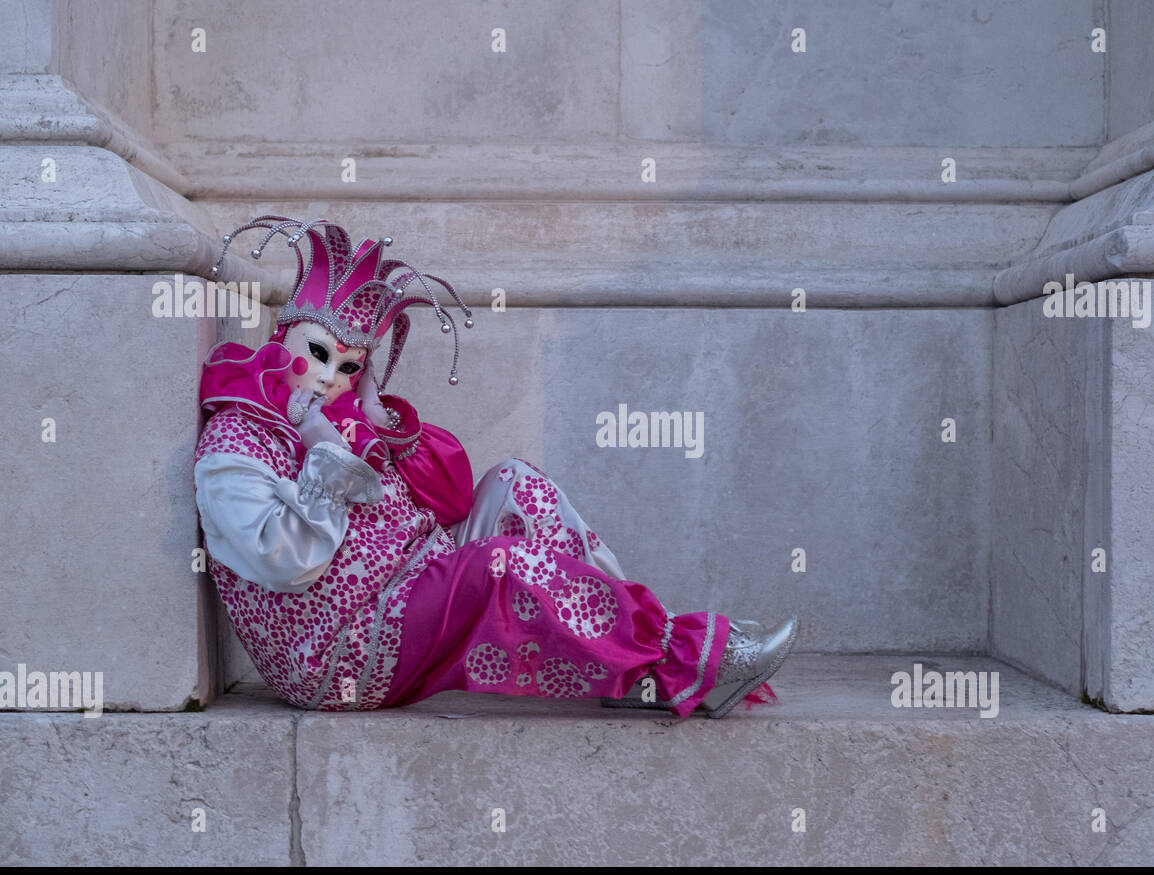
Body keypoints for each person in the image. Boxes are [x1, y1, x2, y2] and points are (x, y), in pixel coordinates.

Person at [193, 215, 797, 718]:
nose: (330, 378)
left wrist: (376, 420)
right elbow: (287, 562)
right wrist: (323, 451)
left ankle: (632, 664)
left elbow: (451, 506)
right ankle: (683, 663)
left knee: (517, 486)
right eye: (319, 354)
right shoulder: (236, 440)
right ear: (284, 339)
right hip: (336, 652)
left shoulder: (344, 423)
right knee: (496, 568)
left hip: (403, 585)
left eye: (350, 366)